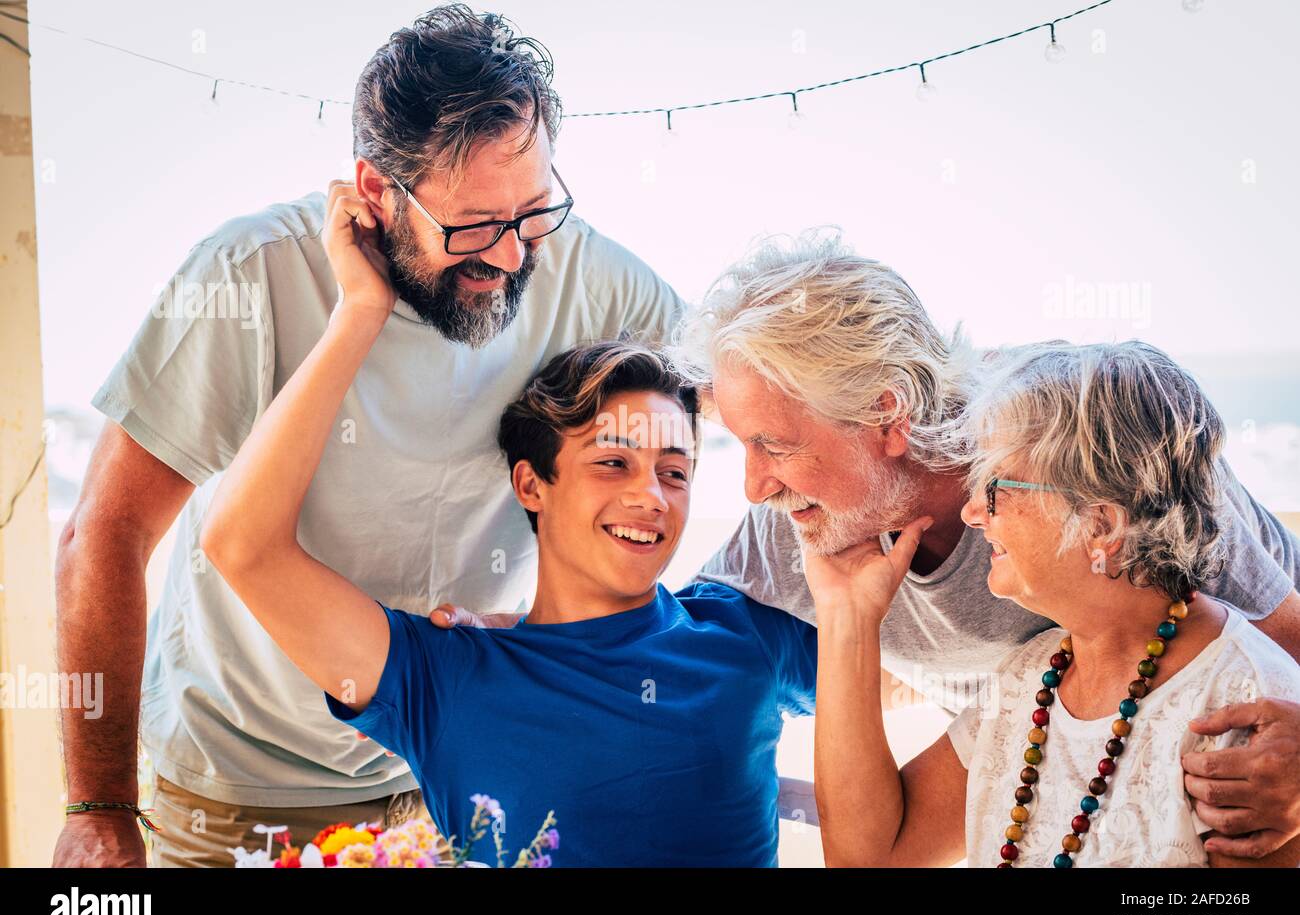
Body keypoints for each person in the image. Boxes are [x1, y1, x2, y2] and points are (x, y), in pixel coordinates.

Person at [54, 6, 684, 867]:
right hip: (236, 786)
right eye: (472, 226)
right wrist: (98, 806)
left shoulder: (586, 272)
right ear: (377, 189)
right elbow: (107, 530)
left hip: (449, 778)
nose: (510, 257)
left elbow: (745, 402)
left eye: (534, 212)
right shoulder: (250, 273)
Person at [671, 229, 1300, 859]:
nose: (754, 488)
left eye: (775, 446)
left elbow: (1279, 653)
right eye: (742, 442)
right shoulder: (808, 523)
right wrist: (847, 624)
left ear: (887, 415)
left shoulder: (1088, 433)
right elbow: (661, 652)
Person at [199, 235, 818, 864]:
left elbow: (902, 663)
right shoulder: (446, 674)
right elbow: (243, 545)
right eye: (612, 463)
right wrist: (359, 311)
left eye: (674, 472)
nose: (652, 496)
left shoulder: (745, 631)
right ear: (531, 485)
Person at [806, 341, 1300, 867]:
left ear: (1100, 525)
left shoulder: (1246, 711)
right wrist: (847, 617)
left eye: (994, 488)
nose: (972, 513)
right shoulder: (1031, 677)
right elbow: (868, 858)